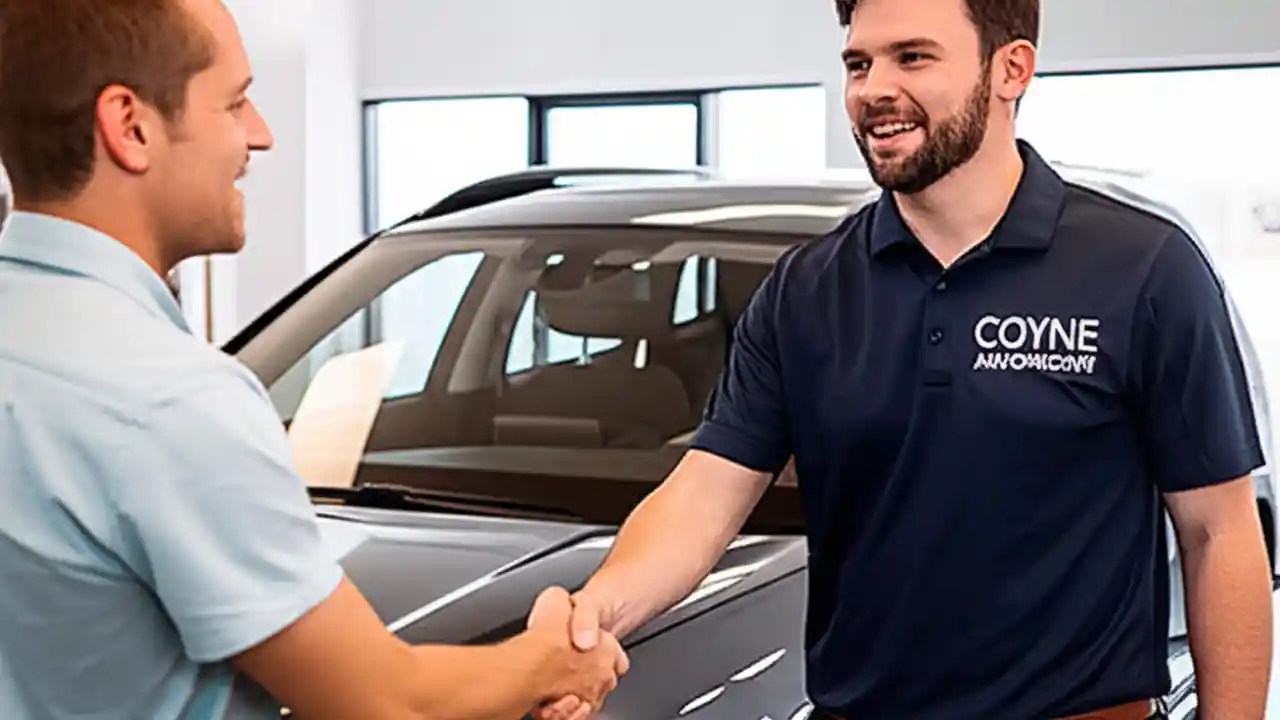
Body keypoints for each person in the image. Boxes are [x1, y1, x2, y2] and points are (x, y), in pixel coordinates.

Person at [536, 0, 1275, 718]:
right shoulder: (806, 291)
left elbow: (1218, 532)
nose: (872, 90)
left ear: (1011, 69)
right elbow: (702, 497)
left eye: (912, 57)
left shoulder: (1144, 269)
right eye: (858, 63)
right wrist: (594, 613)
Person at [0, 1, 626, 719]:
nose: (259, 135)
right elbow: (389, 704)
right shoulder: (168, 398)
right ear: (130, 127)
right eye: (234, 102)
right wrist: (550, 658)